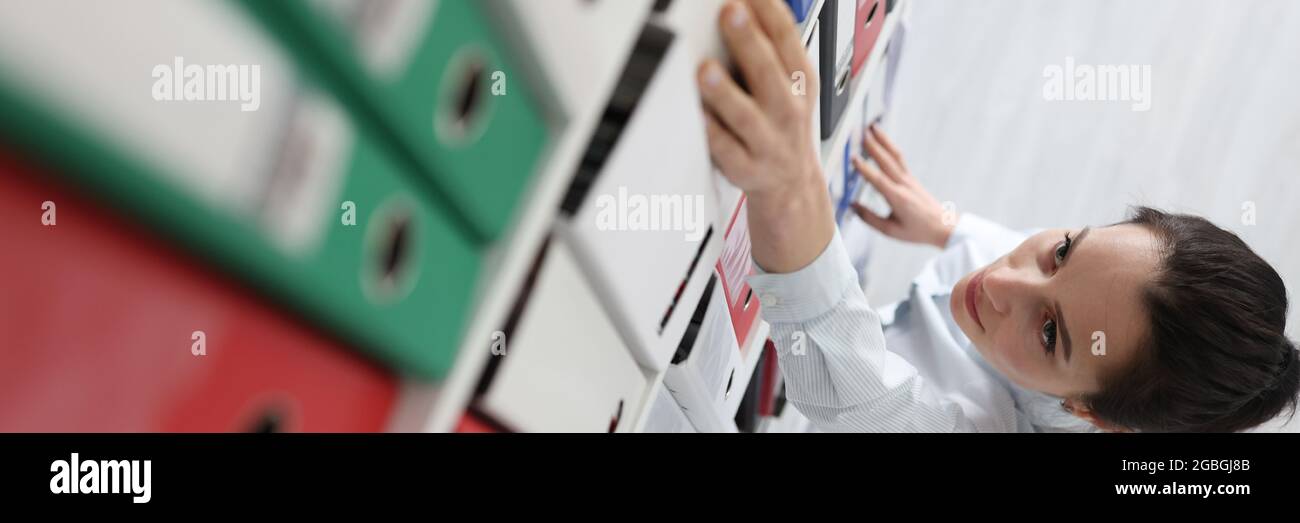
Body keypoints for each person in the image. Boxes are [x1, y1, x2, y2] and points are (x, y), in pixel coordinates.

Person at [698, 0, 1299, 432]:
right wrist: (947, 227)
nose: (1003, 280)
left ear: (1089, 415)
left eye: (1048, 332)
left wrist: (789, 183)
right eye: (1063, 250)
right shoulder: (1095, 319)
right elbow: (1064, 280)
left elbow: (854, 395)